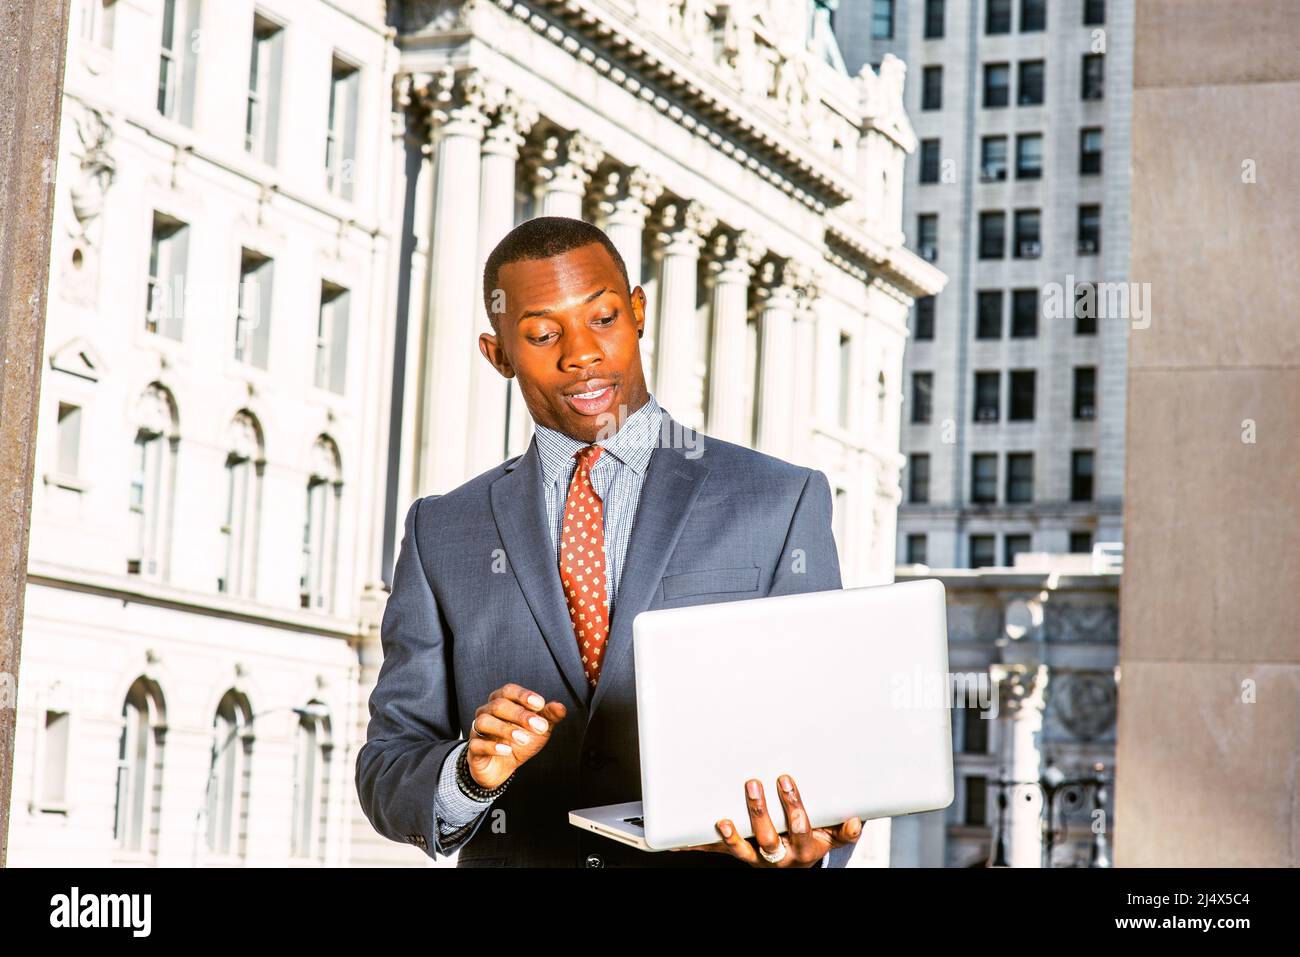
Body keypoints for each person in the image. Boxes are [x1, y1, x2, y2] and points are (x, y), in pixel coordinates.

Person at [356, 216, 863, 868]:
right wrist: (468, 773)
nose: (581, 353)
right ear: (499, 353)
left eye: (602, 319)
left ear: (638, 312)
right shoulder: (442, 531)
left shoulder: (780, 500)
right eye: (542, 334)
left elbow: (833, 739)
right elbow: (389, 761)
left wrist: (807, 848)